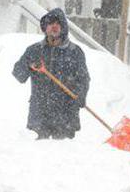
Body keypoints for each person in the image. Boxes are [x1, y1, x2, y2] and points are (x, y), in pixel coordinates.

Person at [12, 8, 90, 140]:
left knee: (62, 157)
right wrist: (28, 65)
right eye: (50, 23)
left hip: (65, 117)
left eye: (58, 23)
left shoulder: (75, 52)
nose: (54, 26)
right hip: (39, 117)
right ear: (45, 27)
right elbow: (19, 74)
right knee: (37, 157)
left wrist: (80, 97)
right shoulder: (34, 51)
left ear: (63, 27)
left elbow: (84, 80)